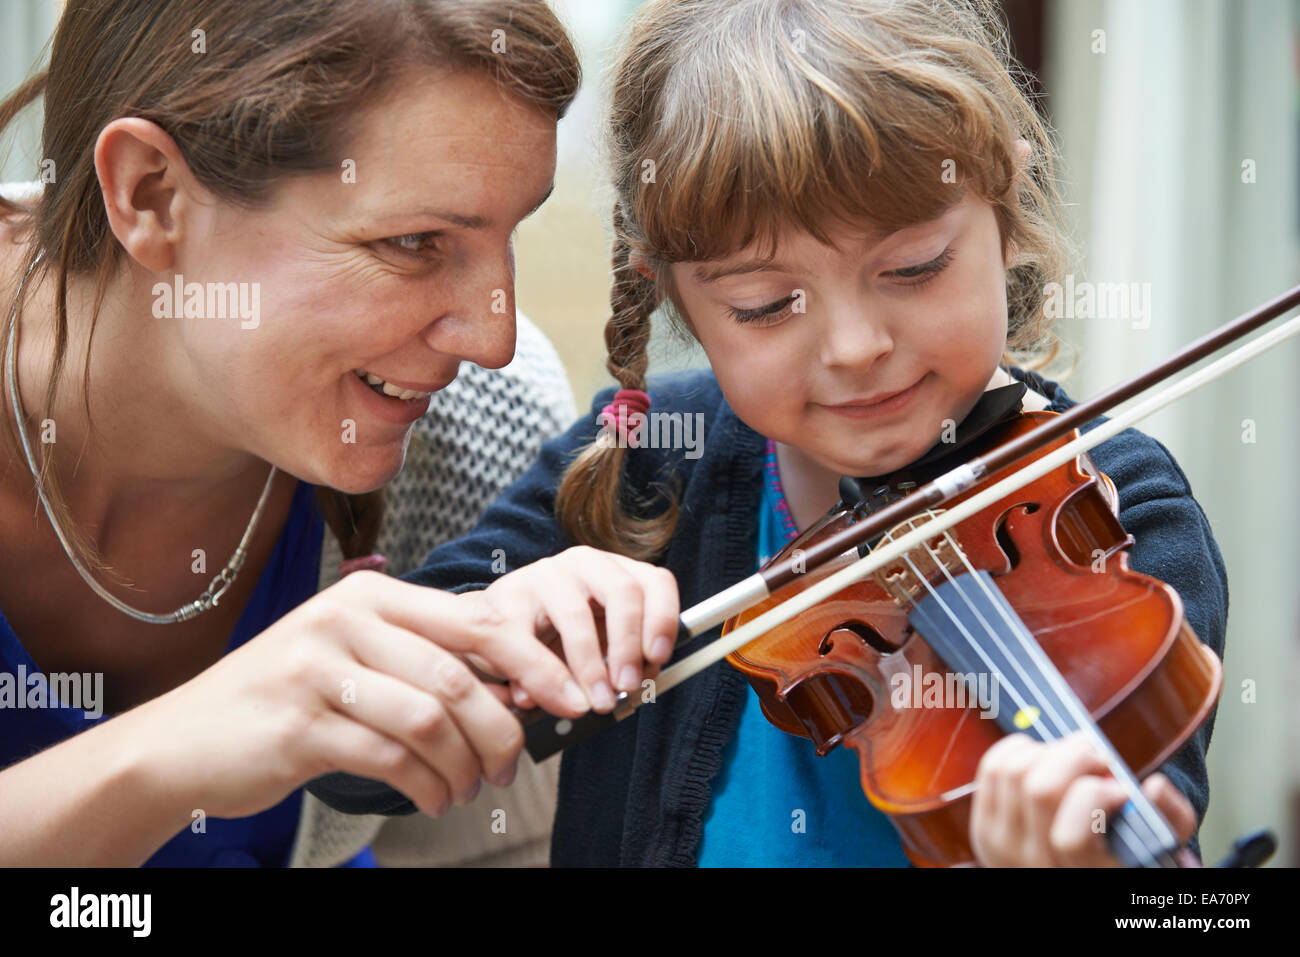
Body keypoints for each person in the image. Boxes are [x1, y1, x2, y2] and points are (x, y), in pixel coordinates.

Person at [309, 0, 1228, 867]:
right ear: (672, 292)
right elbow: (346, 761)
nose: (858, 347)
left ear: (1007, 207)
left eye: (913, 267)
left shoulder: (1108, 510)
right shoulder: (651, 463)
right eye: (766, 304)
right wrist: (503, 620)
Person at [0, 0, 680, 867]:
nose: (491, 340)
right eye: (413, 241)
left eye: (510, 233)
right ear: (151, 194)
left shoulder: (482, 424)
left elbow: (487, 853)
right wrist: (171, 754)